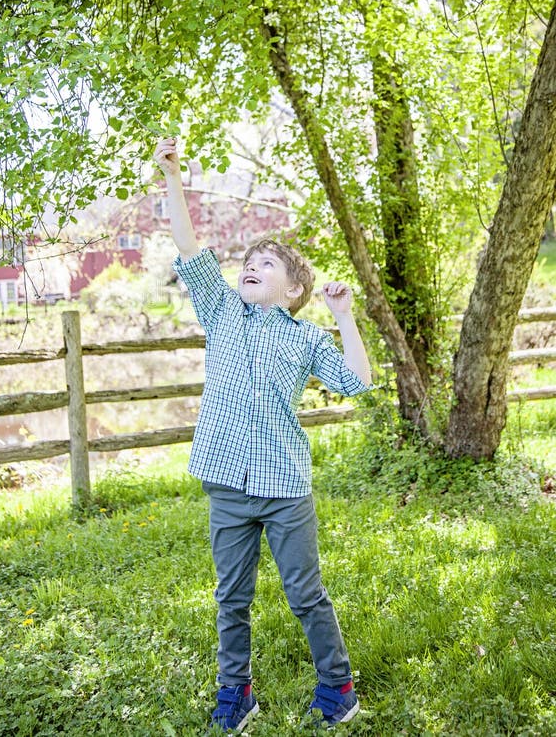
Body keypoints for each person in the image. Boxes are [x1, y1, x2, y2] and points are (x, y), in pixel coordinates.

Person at [155, 137, 372, 733]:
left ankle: (338, 686)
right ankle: (236, 692)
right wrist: (173, 174)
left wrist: (346, 317)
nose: (251, 265)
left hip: (284, 487)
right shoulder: (221, 311)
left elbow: (358, 381)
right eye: (248, 260)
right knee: (232, 598)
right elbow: (186, 240)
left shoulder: (305, 339)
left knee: (305, 593)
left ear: (295, 289)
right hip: (227, 483)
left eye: (267, 263)